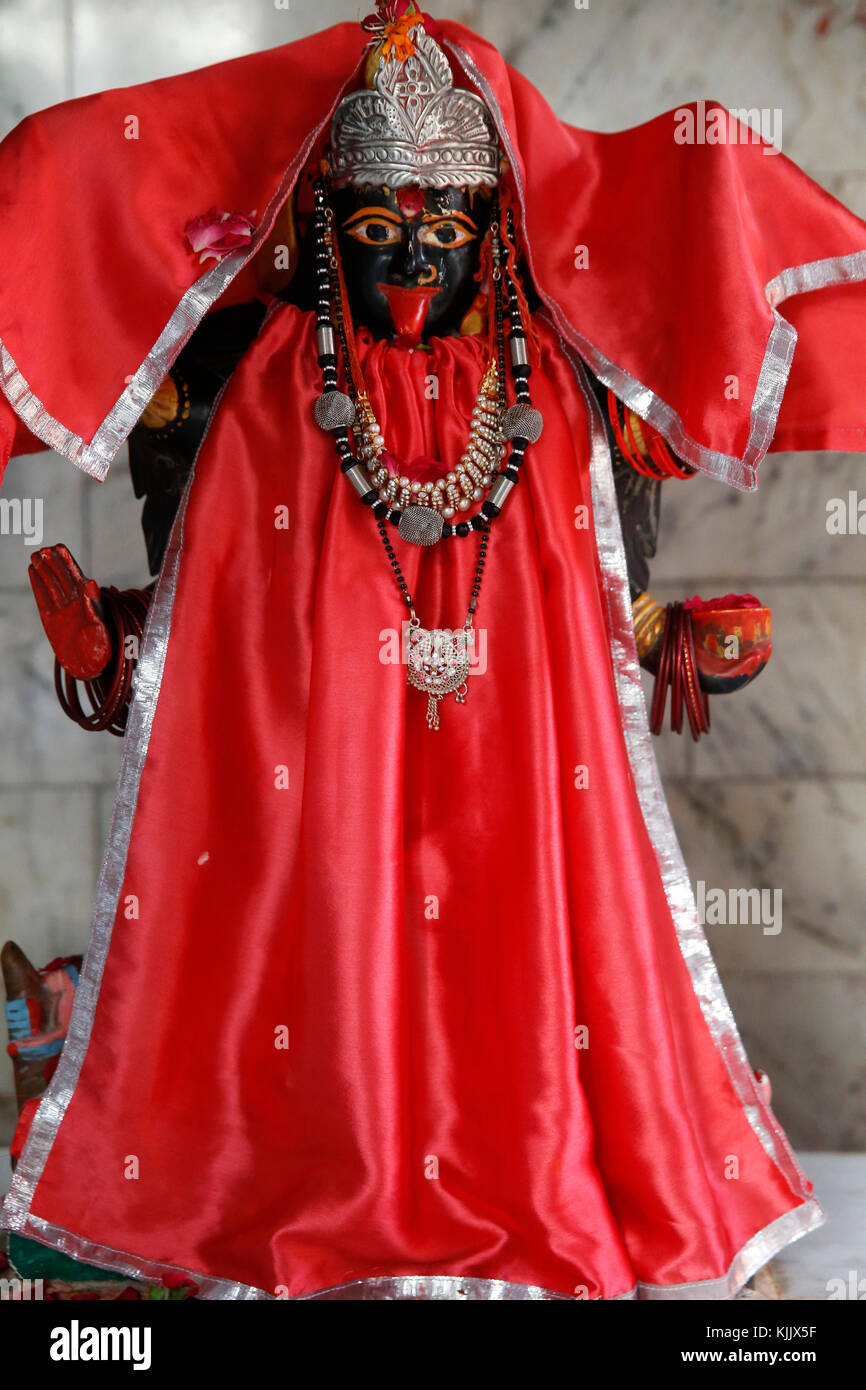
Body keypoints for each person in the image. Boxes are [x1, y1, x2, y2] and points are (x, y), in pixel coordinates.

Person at [1, 3, 865, 1300]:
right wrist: (118, 653)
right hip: (310, 762)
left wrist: (662, 637)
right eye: (375, 232)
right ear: (318, 238)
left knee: (527, 931)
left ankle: (544, 1165)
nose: (410, 262)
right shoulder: (244, 378)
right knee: (306, 921)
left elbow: (606, 595)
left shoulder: (557, 387)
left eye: (443, 233)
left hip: (522, 755)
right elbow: (193, 624)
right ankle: (273, 1176)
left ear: (497, 242)